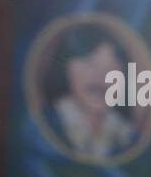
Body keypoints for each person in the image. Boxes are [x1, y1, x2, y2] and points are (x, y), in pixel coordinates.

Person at [40, 23, 139, 161]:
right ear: (67, 69)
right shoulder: (46, 124)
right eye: (90, 64)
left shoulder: (127, 135)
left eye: (110, 69)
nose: (100, 78)